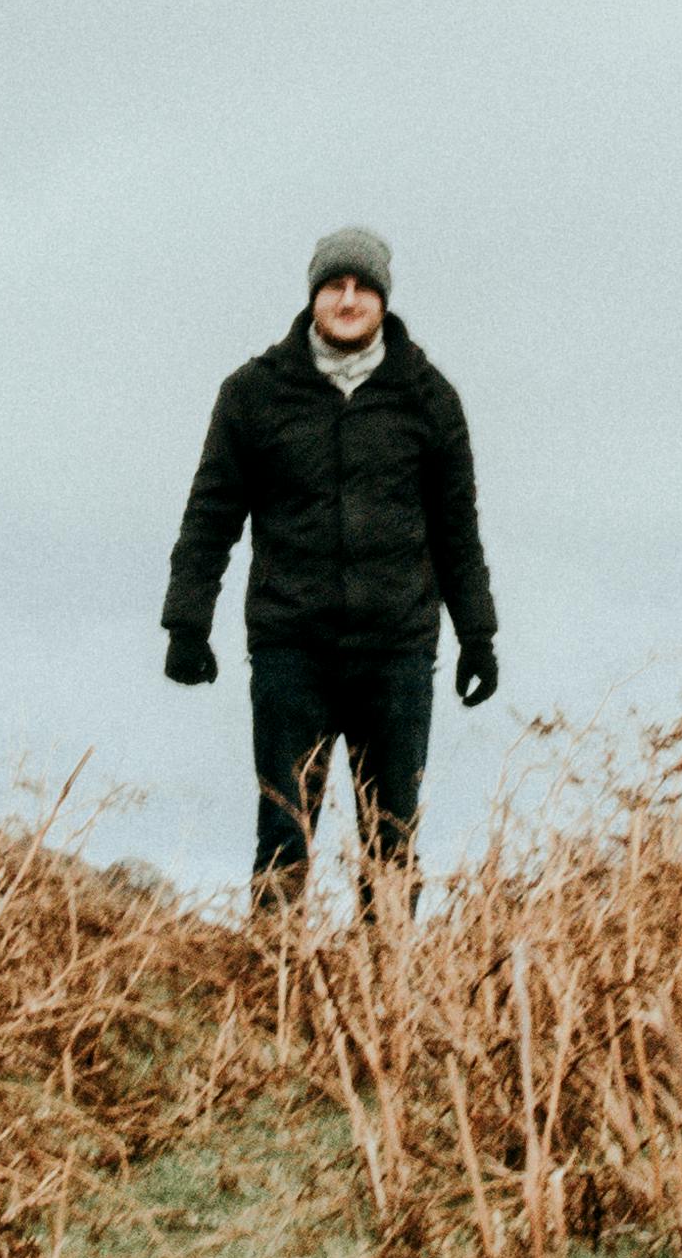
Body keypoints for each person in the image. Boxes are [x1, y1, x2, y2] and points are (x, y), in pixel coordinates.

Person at [164, 224, 497, 920]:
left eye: (362, 287)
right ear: (314, 294)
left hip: (397, 652)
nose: (347, 300)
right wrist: (187, 623)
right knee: (284, 833)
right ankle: (275, 991)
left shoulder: (429, 400)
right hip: (293, 649)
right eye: (334, 286)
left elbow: (457, 531)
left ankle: (390, 1002)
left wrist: (478, 636)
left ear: (382, 299)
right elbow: (211, 515)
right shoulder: (254, 395)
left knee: (392, 838)